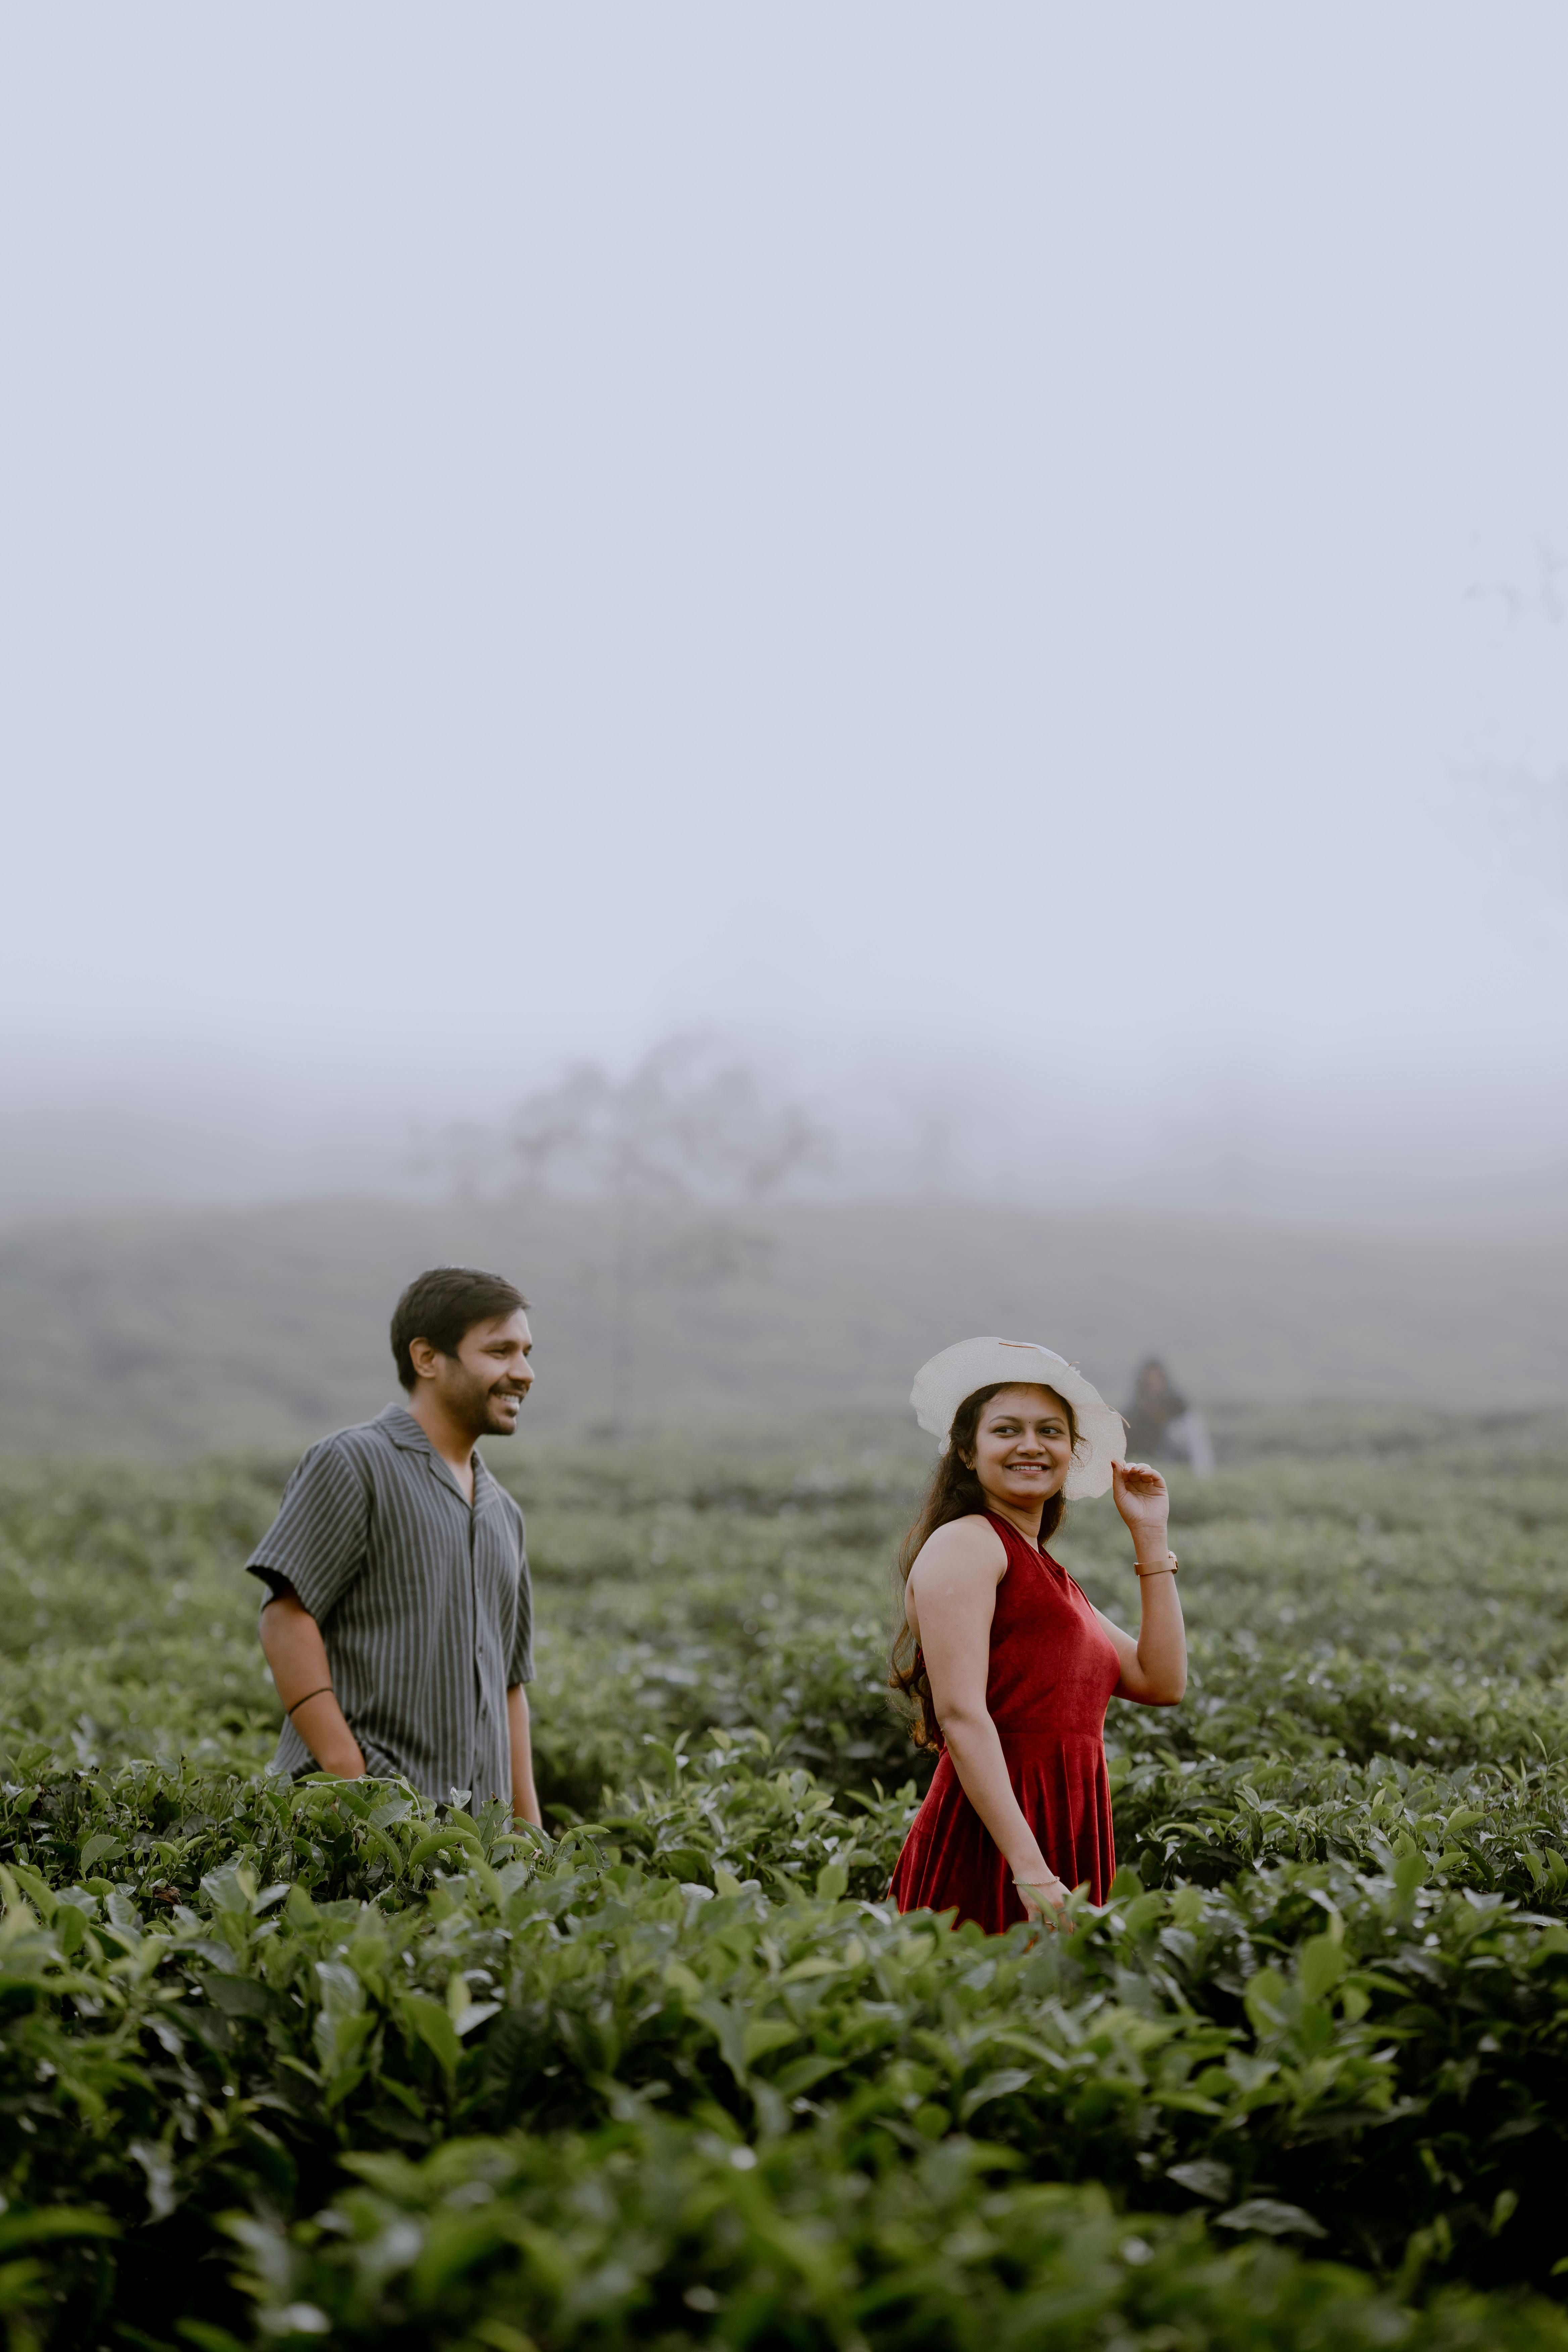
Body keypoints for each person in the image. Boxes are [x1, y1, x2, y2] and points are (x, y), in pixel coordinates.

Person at [888, 1336, 1185, 1933]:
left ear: (1071, 1452)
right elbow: (962, 1716)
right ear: (968, 1452)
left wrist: (1150, 1537)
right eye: (1007, 1430)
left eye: (1050, 1431)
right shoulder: (969, 1543)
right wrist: (1030, 1871)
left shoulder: (1046, 1572)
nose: (1031, 1445)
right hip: (997, 1840)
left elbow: (1162, 1681)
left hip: (1062, 1826)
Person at [247, 1265, 541, 1821]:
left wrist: (529, 1842)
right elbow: (285, 1619)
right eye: (500, 1351)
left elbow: (510, 1688)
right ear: (427, 1358)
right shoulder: (352, 1462)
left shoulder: (505, 1514)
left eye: (526, 1353)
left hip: (468, 1845)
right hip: (352, 1827)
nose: (524, 1373)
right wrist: (351, 1777)